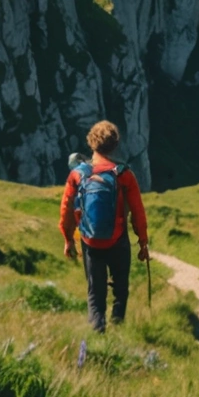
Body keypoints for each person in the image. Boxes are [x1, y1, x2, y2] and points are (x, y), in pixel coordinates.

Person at [59, 121, 150, 333]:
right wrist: (143, 242)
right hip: (118, 240)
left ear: (91, 143)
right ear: (115, 145)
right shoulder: (123, 174)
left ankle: (98, 333)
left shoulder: (78, 174)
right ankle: (118, 330)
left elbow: (66, 209)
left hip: (90, 242)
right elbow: (137, 211)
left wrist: (68, 239)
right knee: (120, 288)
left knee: (95, 292)